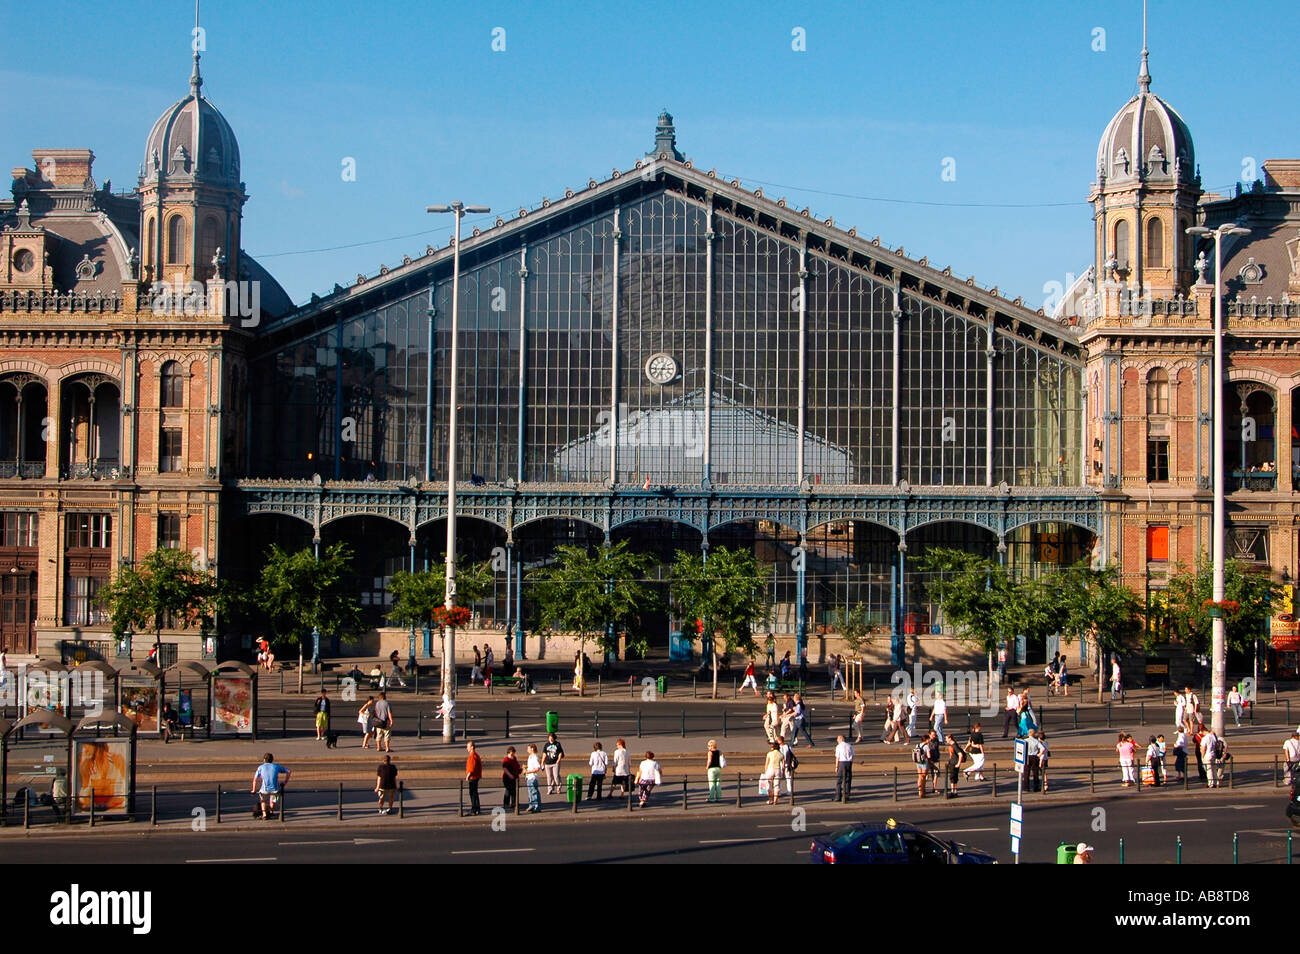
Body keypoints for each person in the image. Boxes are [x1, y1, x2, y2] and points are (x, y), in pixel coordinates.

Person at [251, 752, 289, 820]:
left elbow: (255, 779)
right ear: (272, 760)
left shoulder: (261, 767)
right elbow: (288, 771)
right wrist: (285, 782)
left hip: (264, 789)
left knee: (263, 801)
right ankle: (271, 812)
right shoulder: (276, 766)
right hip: (275, 789)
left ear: (264, 760)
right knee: (272, 800)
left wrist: (253, 790)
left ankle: (264, 814)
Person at [464, 740, 483, 815]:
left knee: (472, 793)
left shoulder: (472, 756)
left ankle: (474, 809)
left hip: (473, 777)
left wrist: (467, 776)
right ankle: (477, 808)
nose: (467, 748)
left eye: (468, 747)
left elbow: (471, 768)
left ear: (472, 747)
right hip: (476, 776)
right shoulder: (476, 755)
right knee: (475, 793)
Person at [762, 741, 784, 805]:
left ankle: (770, 799)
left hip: (770, 769)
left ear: (773, 747)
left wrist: (765, 772)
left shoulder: (769, 754)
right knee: (777, 786)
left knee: (769, 785)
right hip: (778, 770)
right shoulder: (781, 754)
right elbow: (783, 765)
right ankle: (775, 801)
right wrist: (783, 773)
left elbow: (766, 764)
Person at [834, 734, 854, 802]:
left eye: (837, 739)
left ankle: (838, 796)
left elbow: (837, 757)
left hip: (842, 763)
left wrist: (836, 767)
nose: (837, 740)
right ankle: (847, 796)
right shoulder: (850, 745)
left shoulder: (838, 746)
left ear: (840, 739)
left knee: (839, 780)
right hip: (849, 762)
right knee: (848, 779)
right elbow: (852, 756)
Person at [501, 745, 522, 810]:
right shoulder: (506, 759)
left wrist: (520, 770)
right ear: (509, 752)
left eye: (513, 752)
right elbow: (505, 768)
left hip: (515, 777)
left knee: (514, 791)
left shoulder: (514, 758)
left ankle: (513, 803)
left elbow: (517, 766)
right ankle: (506, 804)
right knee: (508, 791)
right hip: (507, 778)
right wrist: (510, 775)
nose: (512, 754)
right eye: (511, 753)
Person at [524, 743, 543, 812]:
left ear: (532, 749)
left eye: (528, 748)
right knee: (530, 792)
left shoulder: (535, 757)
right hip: (529, 777)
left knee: (534, 792)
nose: (527, 750)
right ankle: (531, 805)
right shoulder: (530, 756)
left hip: (533, 777)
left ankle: (537, 806)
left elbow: (537, 768)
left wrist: (529, 771)